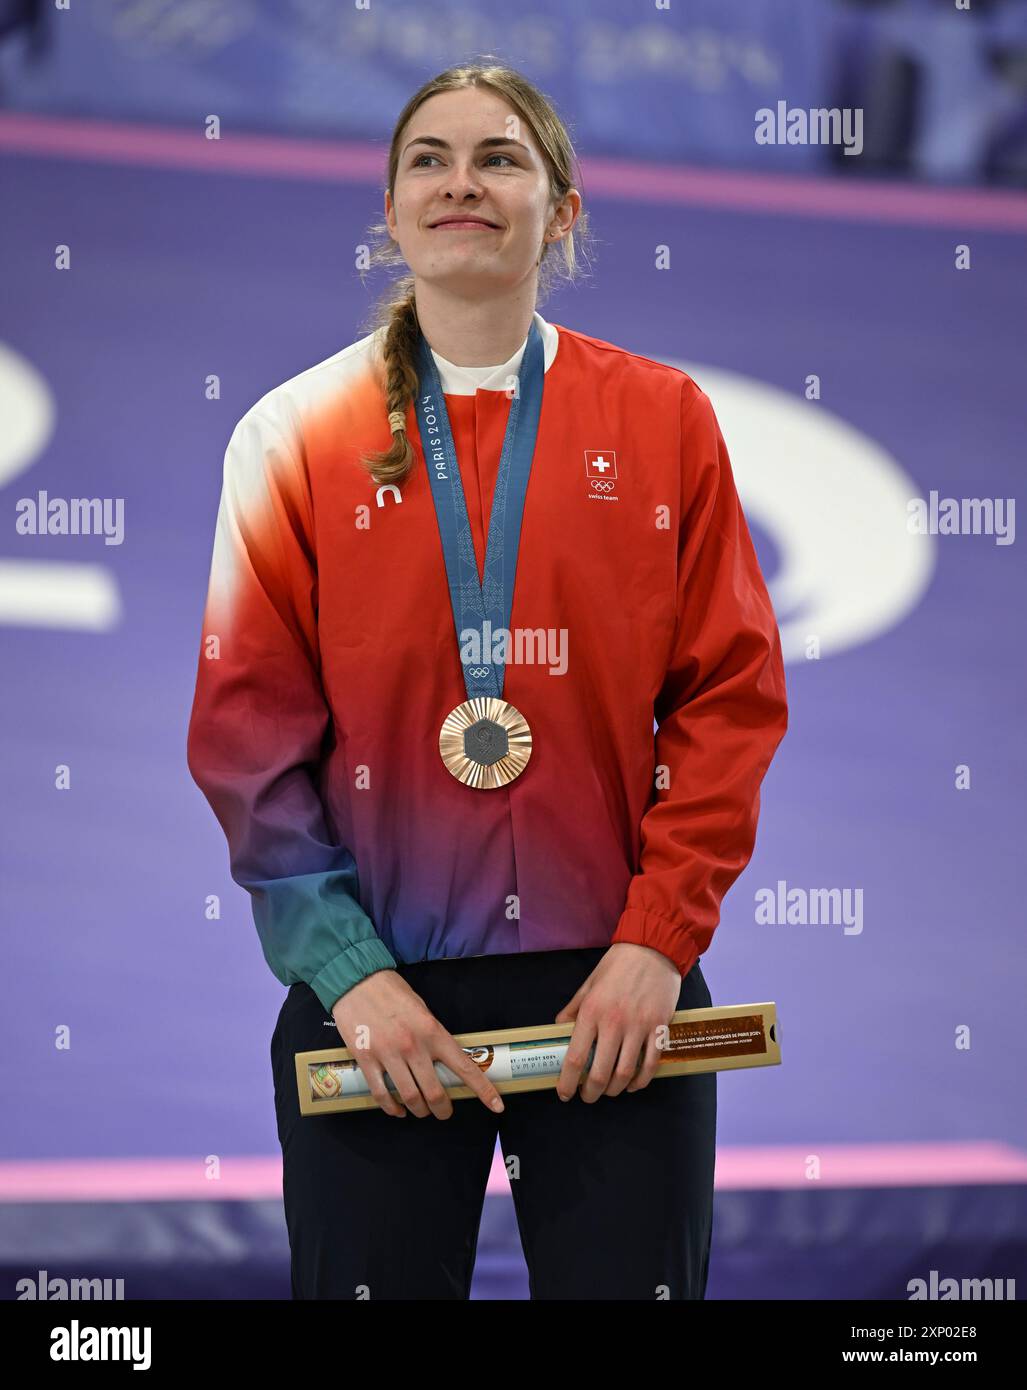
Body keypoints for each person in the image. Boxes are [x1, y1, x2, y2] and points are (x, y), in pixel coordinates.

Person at [186, 58, 788, 1301]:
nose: (462, 182)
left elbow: (728, 702)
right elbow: (248, 741)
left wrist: (657, 945)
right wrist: (349, 976)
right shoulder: (290, 435)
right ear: (392, 209)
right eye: (429, 160)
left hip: (619, 998)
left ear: (560, 211)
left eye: (500, 157)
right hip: (375, 1012)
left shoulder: (665, 419)